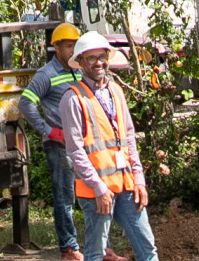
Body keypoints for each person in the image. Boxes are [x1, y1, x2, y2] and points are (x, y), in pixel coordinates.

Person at [60, 32, 158, 261]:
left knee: (147, 246)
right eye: (91, 58)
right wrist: (98, 188)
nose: (98, 62)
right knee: (96, 253)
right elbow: (75, 151)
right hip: (96, 191)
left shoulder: (116, 91)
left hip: (126, 185)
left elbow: (129, 139)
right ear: (81, 62)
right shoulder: (73, 99)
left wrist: (139, 180)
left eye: (102, 56)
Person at [20, 23, 86, 261]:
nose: (72, 50)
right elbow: (26, 103)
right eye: (68, 46)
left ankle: (100, 245)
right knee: (65, 196)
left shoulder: (80, 70)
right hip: (59, 145)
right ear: (56, 47)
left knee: (90, 192)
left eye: (75, 46)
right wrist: (48, 130)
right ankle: (68, 248)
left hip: (83, 143)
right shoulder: (46, 74)